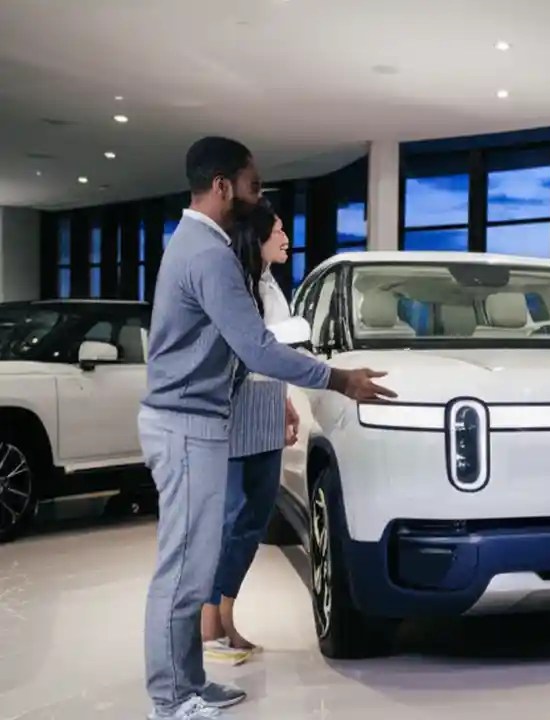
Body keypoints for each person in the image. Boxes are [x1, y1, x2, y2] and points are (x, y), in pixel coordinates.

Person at [139, 136, 396, 720]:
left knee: (196, 561)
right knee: (182, 567)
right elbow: (255, 347)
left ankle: (190, 683)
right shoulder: (207, 255)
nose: (260, 201)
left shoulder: (199, 246)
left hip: (196, 421)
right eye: (253, 187)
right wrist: (338, 378)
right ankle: (170, 698)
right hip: (185, 425)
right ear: (223, 186)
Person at [200, 197, 297, 665]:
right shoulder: (234, 285)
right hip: (234, 408)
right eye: (277, 230)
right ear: (256, 237)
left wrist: (286, 402)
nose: (285, 238)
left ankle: (226, 618)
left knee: (253, 519)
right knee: (232, 520)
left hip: (265, 404)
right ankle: (208, 627)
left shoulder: (269, 285)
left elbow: (273, 354)